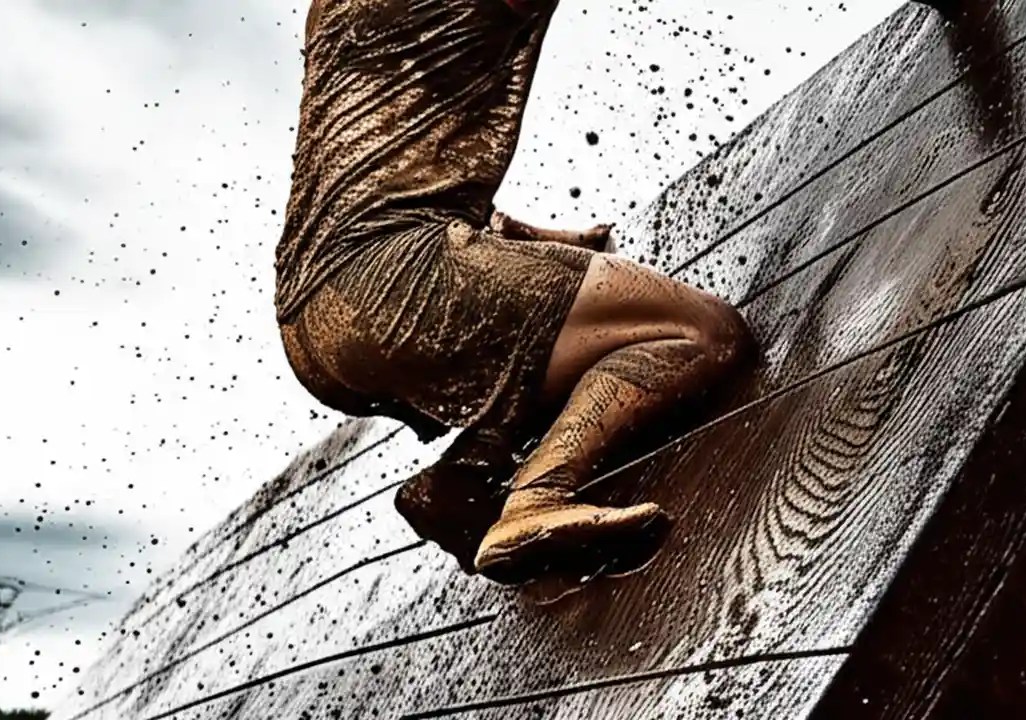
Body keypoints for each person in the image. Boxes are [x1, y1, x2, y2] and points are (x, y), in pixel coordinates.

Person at [275, 0, 753, 585]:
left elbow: (384, 148)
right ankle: (539, 495)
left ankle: (467, 476)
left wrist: (522, 238)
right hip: (399, 282)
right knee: (703, 332)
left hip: (309, 318)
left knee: (559, 338)